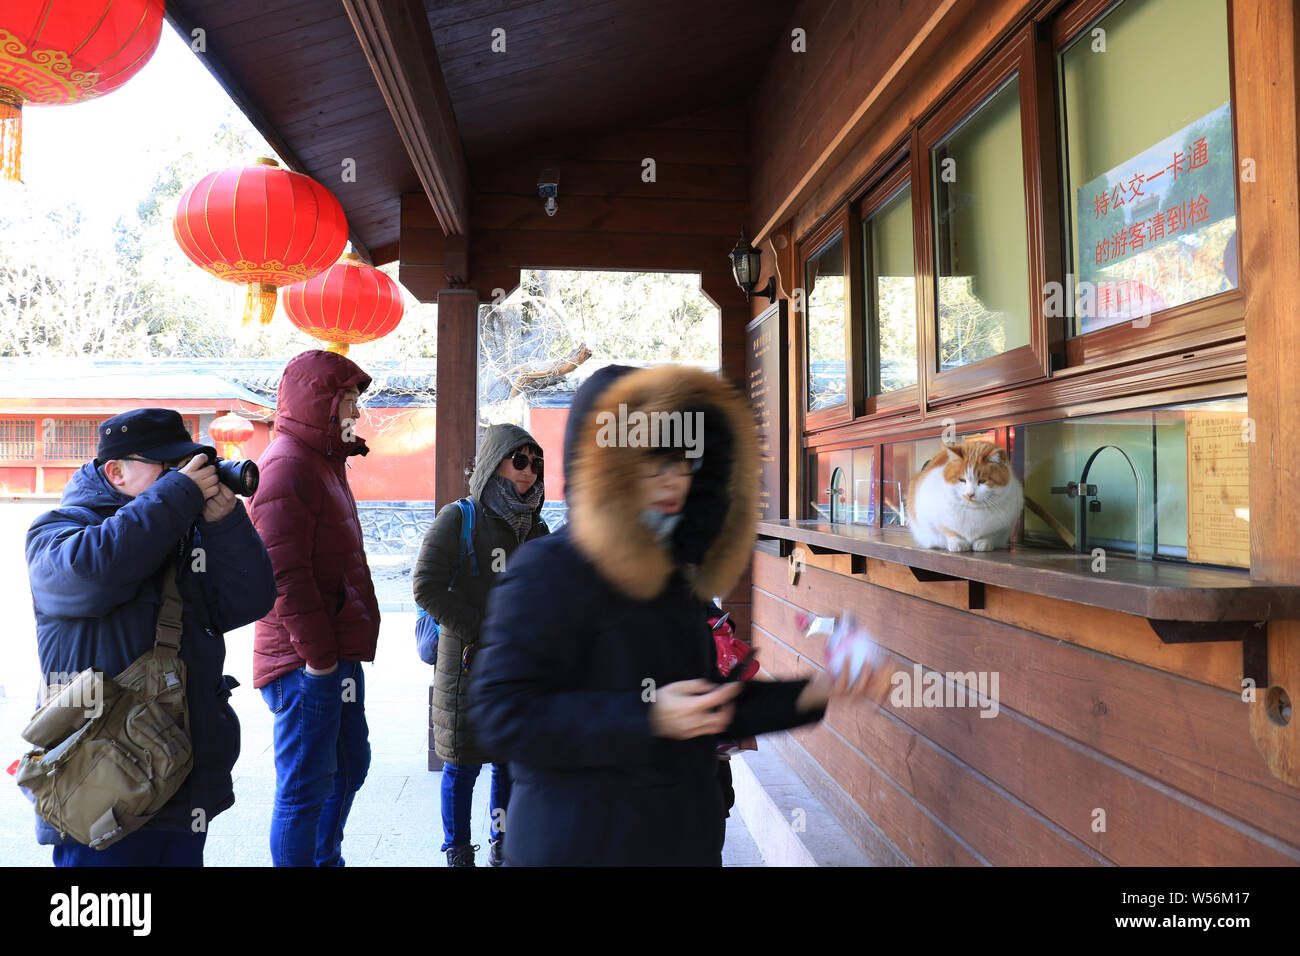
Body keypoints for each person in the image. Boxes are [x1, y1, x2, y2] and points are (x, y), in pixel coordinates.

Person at [470, 364, 876, 866]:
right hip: (580, 843)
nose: (675, 479)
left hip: (684, 838)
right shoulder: (548, 568)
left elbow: (704, 704)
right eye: (652, 461)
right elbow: (501, 714)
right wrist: (648, 716)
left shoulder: (673, 579)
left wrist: (816, 692)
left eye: (683, 462)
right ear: (609, 465)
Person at [25, 408, 277, 866]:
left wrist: (226, 526)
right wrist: (177, 496)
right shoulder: (58, 529)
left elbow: (250, 600)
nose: (183, 477)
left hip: (177, 771)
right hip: (99, 775)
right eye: (168, 467)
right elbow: (93, 576)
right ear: (115, 471)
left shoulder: (182, 531)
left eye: (185, 466)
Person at [247, 349, 381, 867]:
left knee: (350, 765)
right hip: (305, 661)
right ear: (316, 401)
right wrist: (320, 660)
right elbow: (285, 575)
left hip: (333, 651)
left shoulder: (323, 460)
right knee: (305, 789)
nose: (353, 412)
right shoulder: (286, 466)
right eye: (346, 399)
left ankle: (326, 860)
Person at [413, 424, 549, 867]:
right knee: (461, 764)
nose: (528, 471)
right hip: (466, 661)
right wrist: (481, 630)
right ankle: (457, 848)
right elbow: (426, 587)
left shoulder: (537, 525)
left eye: (535, 462)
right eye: (519, 460)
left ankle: (502, 841)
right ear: (495, 462)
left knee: (507, 760)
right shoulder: (459, 517)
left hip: (518, 664)